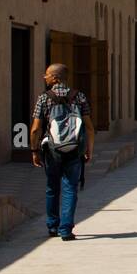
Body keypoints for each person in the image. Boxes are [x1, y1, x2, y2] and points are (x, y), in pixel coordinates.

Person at [30, 63, 93, 241]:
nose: (44, 77)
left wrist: (34, 150)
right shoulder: (79, 96)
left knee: (52, 187)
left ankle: (52, 226)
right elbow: (89, 127)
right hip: (74, 149)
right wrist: (89, 149)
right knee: (70, 188)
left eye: (47, 74)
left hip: (52, 150)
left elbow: (35, 128)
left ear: (55, 78)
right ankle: (66, 230)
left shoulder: (44, 98)